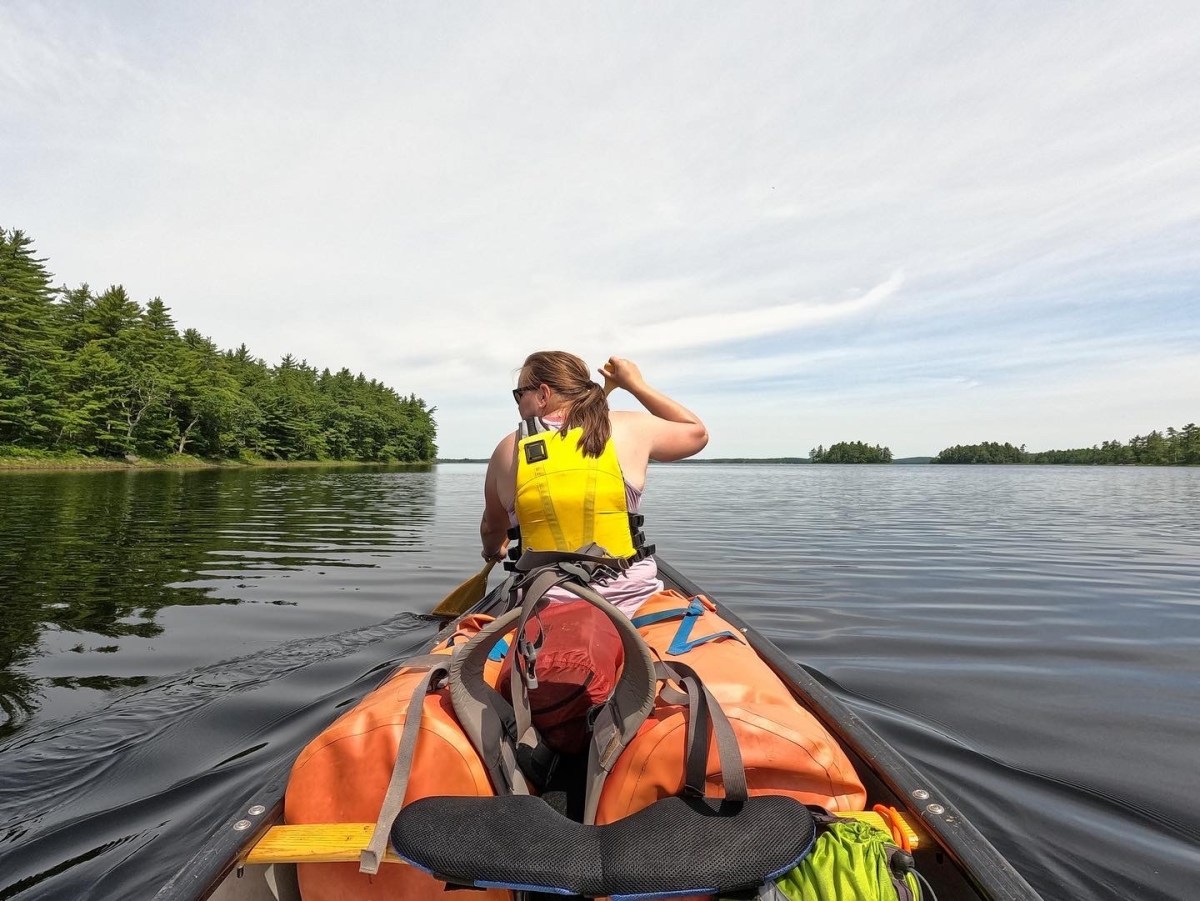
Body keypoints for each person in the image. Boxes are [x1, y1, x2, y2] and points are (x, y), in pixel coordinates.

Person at [481, 351, 708, 616]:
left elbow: (491, 527)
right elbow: (697, 433)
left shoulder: (508, 450)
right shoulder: (628, 427)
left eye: (520, 394)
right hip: (634, 604)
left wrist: (494, 549)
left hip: (544, 606)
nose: (519, 405)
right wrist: (635, 384)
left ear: (543, 394)